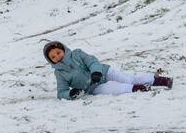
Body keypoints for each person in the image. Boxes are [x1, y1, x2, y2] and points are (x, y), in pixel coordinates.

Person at [44, 41, 173, 100]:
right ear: (51, 61)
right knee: (119, 88)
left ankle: (161, 80)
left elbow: (92, 61)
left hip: (104, 72)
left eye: (58, 52)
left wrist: (96, 72)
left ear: (63, 49)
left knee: (128, 79)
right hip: (94, 88)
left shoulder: (77, 54)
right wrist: (71, 94)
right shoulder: (59, 73)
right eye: (53, 57)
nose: (57, 57)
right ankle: (144, 88)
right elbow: (61, 92)